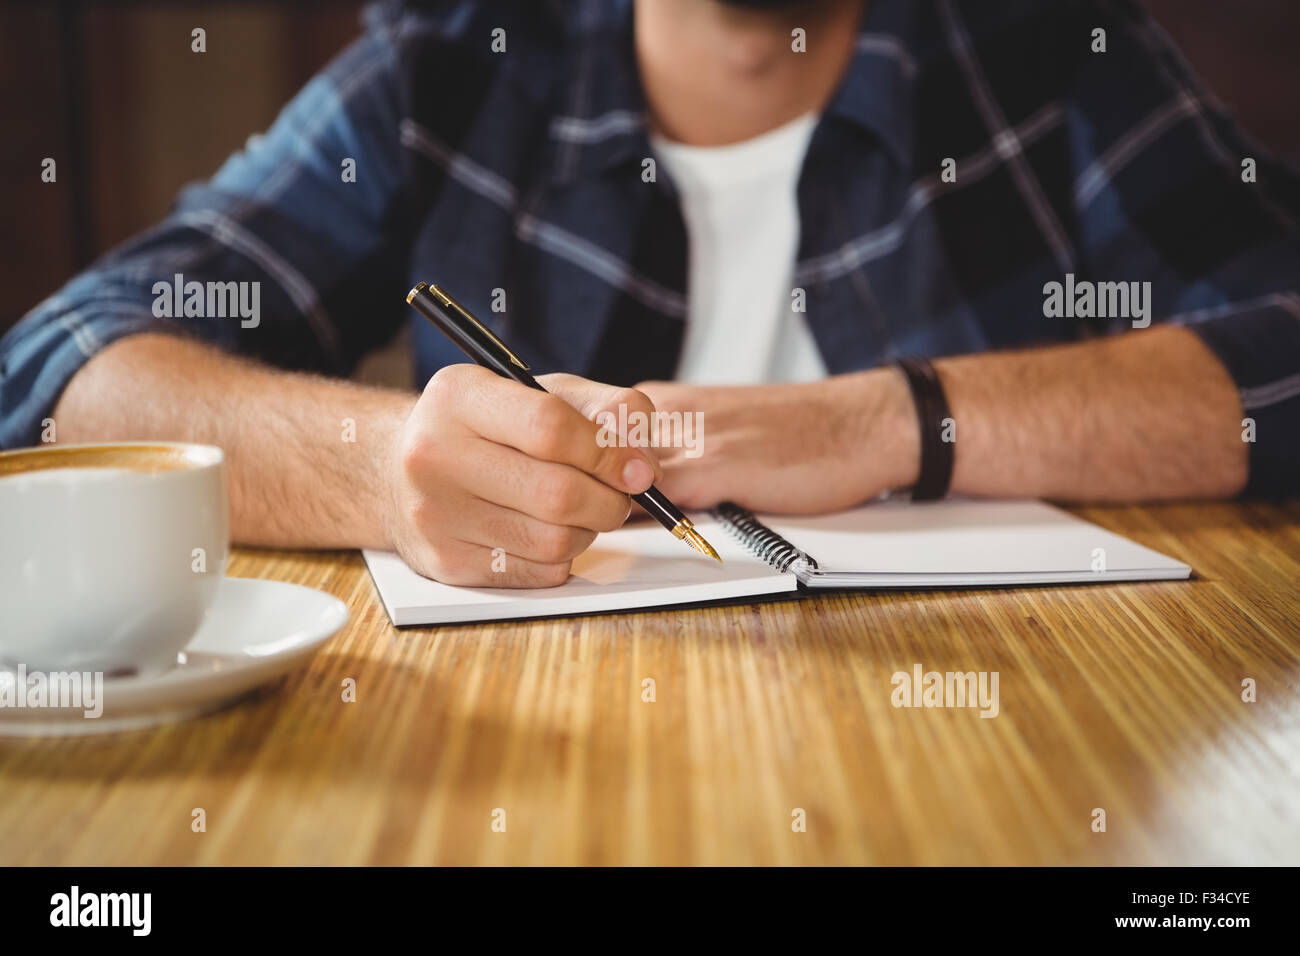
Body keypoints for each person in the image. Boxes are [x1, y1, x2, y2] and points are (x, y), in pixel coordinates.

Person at [2, 0, 1297, 587]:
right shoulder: (450, 67)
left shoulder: (1057, 50)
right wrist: (383, 462)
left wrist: (877, 423)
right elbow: (59, 368)